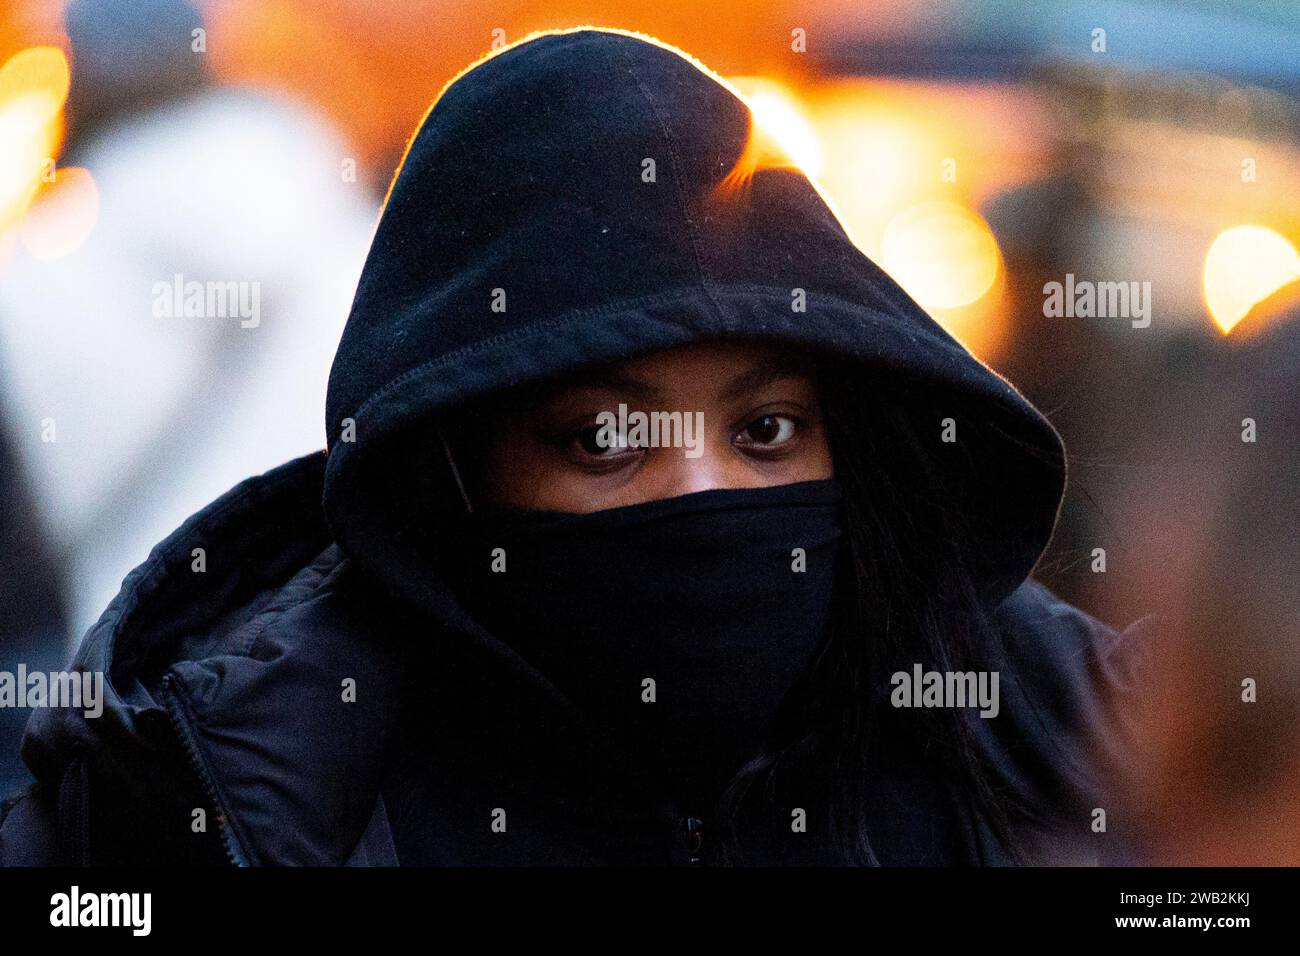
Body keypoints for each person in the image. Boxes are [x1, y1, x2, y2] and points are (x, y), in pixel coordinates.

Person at [0, 27, 1153, 867]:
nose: (698, 486)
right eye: (603, 436)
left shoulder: (1077, 734)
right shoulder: (199, 801)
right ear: (454, 475)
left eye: (765, 429)